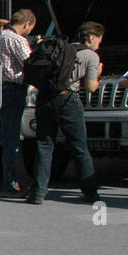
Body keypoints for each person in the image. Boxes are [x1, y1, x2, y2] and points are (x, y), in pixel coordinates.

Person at [28, 21, 102, 205]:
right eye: (99, 40)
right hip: (68, 100)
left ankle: (38, 192)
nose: (99, 45)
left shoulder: (59, 48)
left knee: (44, 145)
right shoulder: (90, 56)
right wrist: (98, 73)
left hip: (44, 98)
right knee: (79, 147)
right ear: (92, 37)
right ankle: (90, 191)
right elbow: (90, 87)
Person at [0, 9, 36, 197]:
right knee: (11, 139)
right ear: (26, 24)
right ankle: (9, 182)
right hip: (13, 89)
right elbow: (31, 64)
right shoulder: (18, 40)